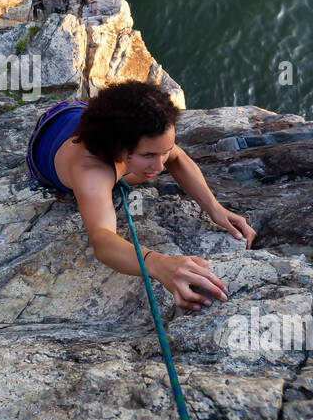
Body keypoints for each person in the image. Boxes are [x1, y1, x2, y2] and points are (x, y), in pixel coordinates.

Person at [26, 80, 256, 313]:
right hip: (45, 150)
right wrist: (159, 264)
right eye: (149, 154)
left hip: (73, 114)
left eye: (164, 151)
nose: (160, 164)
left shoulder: (130, 137)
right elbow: (103, 241)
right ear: (116, 147)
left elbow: (178, 157)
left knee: (146, 173)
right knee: (141, 177)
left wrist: (215, 209)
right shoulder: (92, 173)